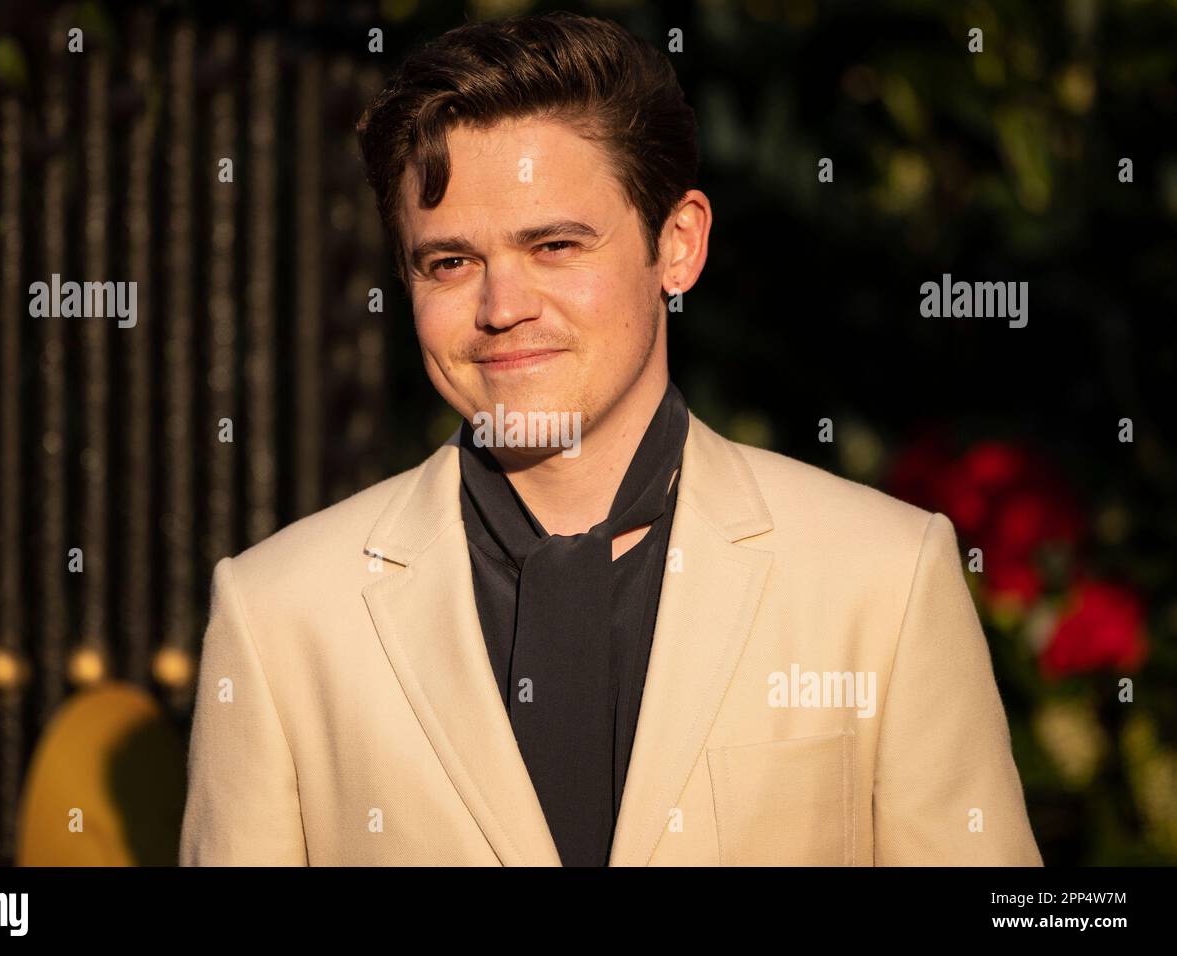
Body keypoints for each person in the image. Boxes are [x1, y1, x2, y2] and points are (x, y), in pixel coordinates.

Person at [179, 11, 1042, 866]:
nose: (501, 307)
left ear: (678, 245)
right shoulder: (280, 617)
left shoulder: (881, 579)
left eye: (554, 245)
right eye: (450, 262)